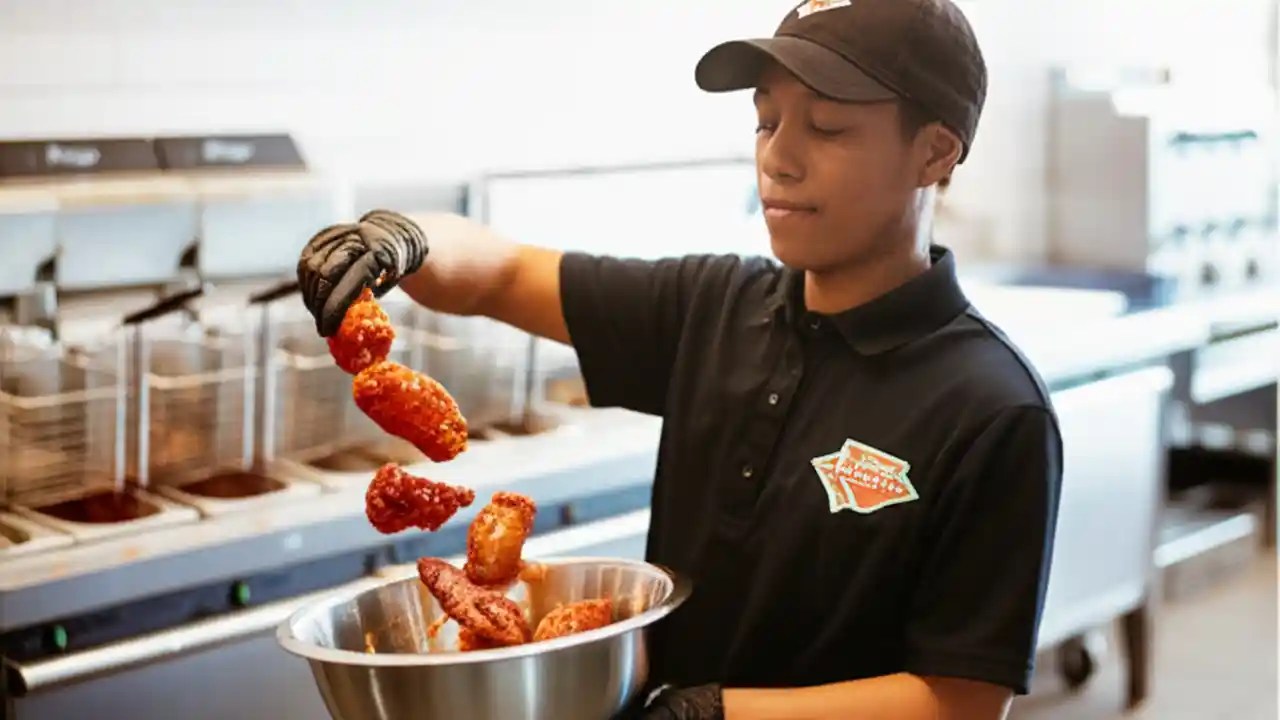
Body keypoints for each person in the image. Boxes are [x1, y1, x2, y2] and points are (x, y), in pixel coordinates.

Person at [296, 1, 1064, 718]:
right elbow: (501, 272)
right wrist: (401, 240)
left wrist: (716, 712)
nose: (779, 159)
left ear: (935, 152)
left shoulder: (992, 407)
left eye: (826, 128)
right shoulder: (715, 306)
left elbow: (959, 698)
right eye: (766, 122)